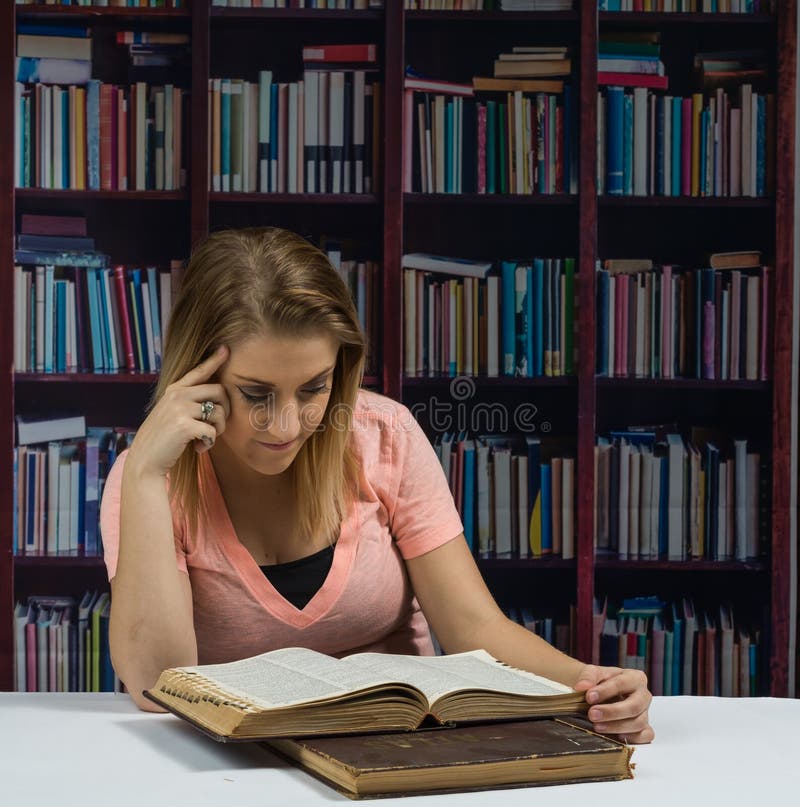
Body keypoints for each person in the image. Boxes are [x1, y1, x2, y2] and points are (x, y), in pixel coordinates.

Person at [100, 226, 654, 743]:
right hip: (236, 768)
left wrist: (590, 685)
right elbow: (158, 683)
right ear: (199, 376)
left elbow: (473, 626)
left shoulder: (383, 435)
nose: (289, 425)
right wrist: (148, 474)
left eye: (314, 387)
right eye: (256, 394)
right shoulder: (149, 477)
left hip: (402, 747)